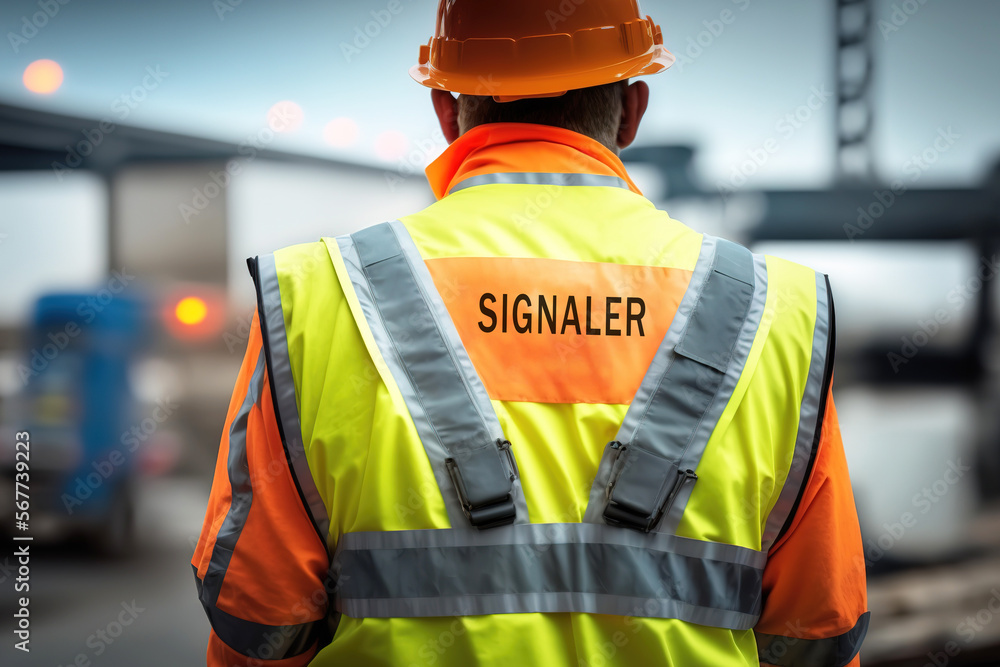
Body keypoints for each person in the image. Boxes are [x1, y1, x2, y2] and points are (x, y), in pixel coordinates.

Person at [192, 1, 869, 665]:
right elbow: (817, 632)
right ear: (633, 110)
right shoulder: (777, 310)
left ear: (447, 113)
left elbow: (259, 620)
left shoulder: (317, 293)